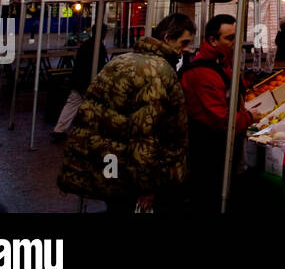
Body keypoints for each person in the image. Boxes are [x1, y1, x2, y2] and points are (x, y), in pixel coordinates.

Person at [57, 13, 194, 213]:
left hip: (109, 164)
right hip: (135, 174)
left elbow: (90, 115)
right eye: (184, 43)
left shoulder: (121, 61)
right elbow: (146, 135)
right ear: (167, 39)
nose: (187, 50)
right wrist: (147, 187)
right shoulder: (159, 71)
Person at [179, 14, 255, 211]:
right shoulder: (202, 72)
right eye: (229, 38)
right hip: (208, 153)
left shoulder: (223, 62)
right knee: (209, 200)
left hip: (224, 149)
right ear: (212, 40)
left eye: (236, 37)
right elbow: (221, 119)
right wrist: (249, 117)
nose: (234, 43)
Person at [51, 29, 114, 141]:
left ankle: (59, 129)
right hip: (87, 81)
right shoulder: (97, 47)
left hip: (78, 80)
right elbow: (102, 65)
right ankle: (95, 131)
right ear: (103, 34)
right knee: (97, 105)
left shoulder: (87, 44)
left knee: (72, 104)